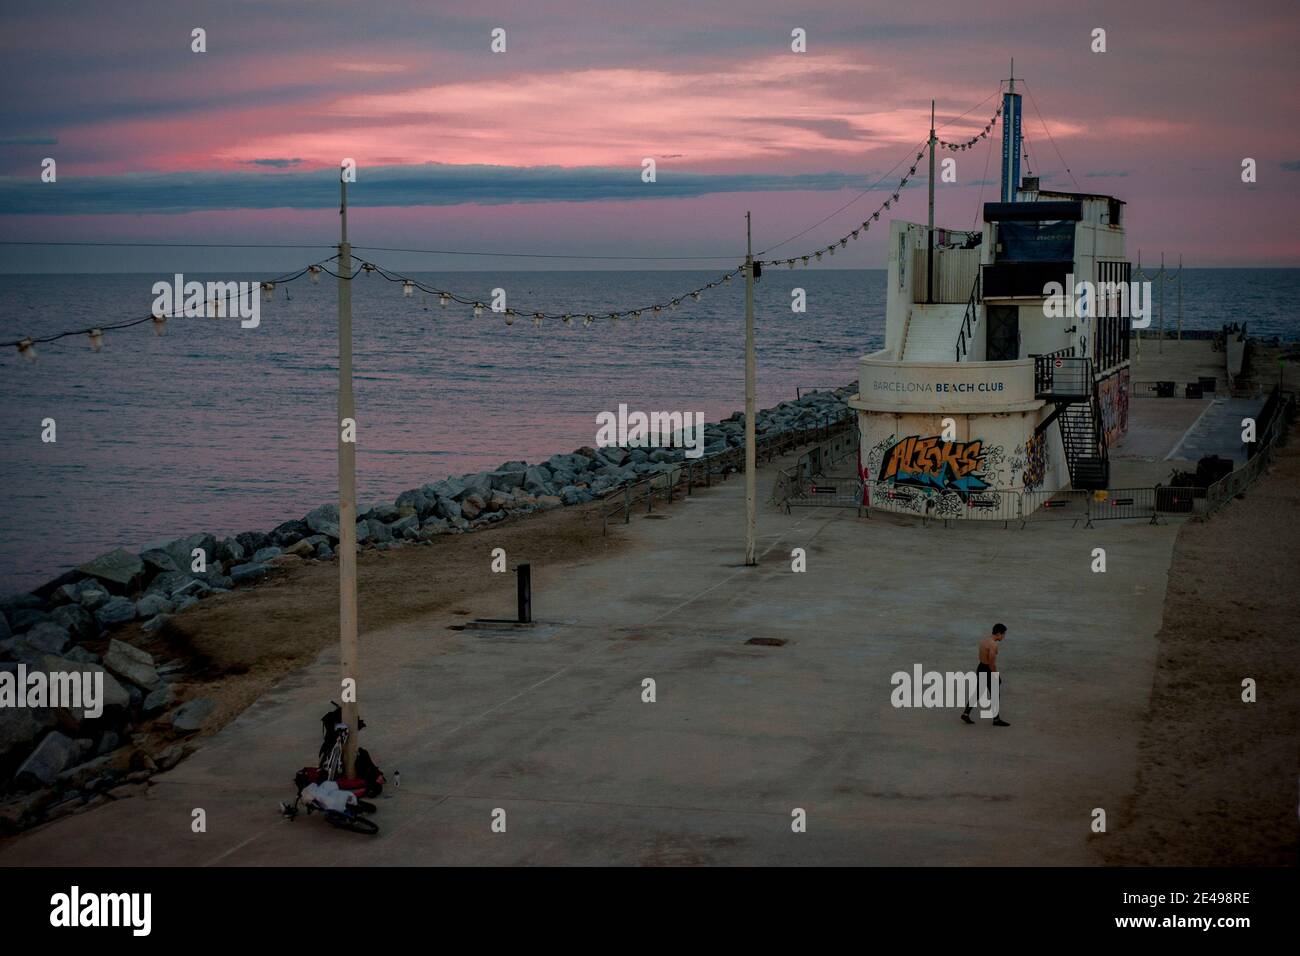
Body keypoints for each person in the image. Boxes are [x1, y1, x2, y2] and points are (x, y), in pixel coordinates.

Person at [962, 623, 1010, 726]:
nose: (1004, 636)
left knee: (979, 692)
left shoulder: (984, 641)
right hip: (988, 670)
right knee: (995, 694)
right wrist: (996, 676)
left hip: (981, 667)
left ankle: (965, 714)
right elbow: (991, 663)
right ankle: (996, 720)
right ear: (998, 633)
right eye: (1003, 634)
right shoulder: (993, 645)